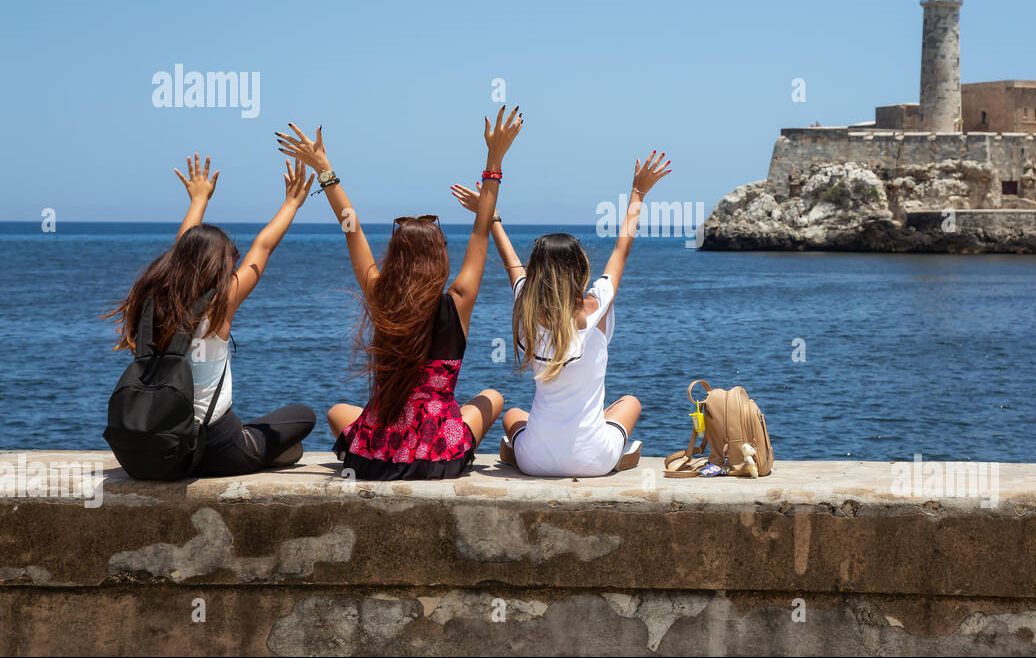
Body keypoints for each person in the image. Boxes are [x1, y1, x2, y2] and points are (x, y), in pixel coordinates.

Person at [276, 108, 522, 480]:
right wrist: (494, 159)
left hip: (377, 454)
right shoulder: (457, 299)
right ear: (438, 257)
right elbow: (480, 233)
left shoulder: (380, 295)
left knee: (337, 412)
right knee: (493, 398)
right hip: (439, 454)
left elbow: (351, 227)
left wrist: (323, 168)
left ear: (395, 255)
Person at [450, 150, 671, 477]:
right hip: (594, 460)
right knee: (630, 404)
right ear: (580, 268)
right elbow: (622, 248)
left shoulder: (525, 305)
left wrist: (490, 215)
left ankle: (514, 451)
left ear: (537, 272)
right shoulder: (597, 307)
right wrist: (638, 193)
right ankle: (617, 453)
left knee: (513, 414)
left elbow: (512, 262)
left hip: (534, 461)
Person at [107, 154, 318, 476]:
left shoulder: (151, 304)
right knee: (303, 415)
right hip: (216, 450)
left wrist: (198, 199)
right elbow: (262, 248)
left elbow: (183, 254)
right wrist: (292, 203)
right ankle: (264, 454)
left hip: (155, 449)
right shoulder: (219, 303)